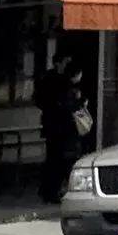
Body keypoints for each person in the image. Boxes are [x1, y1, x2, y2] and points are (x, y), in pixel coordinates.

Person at [37, 60, 83, 204]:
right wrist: (79, 103)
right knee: (61, 161)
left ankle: (47, 190)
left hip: (52, 128)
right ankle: (54, 191)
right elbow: (68, 108)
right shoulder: (67, 88)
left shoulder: (51, 80)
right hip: (63, 130)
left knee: (53, 160)